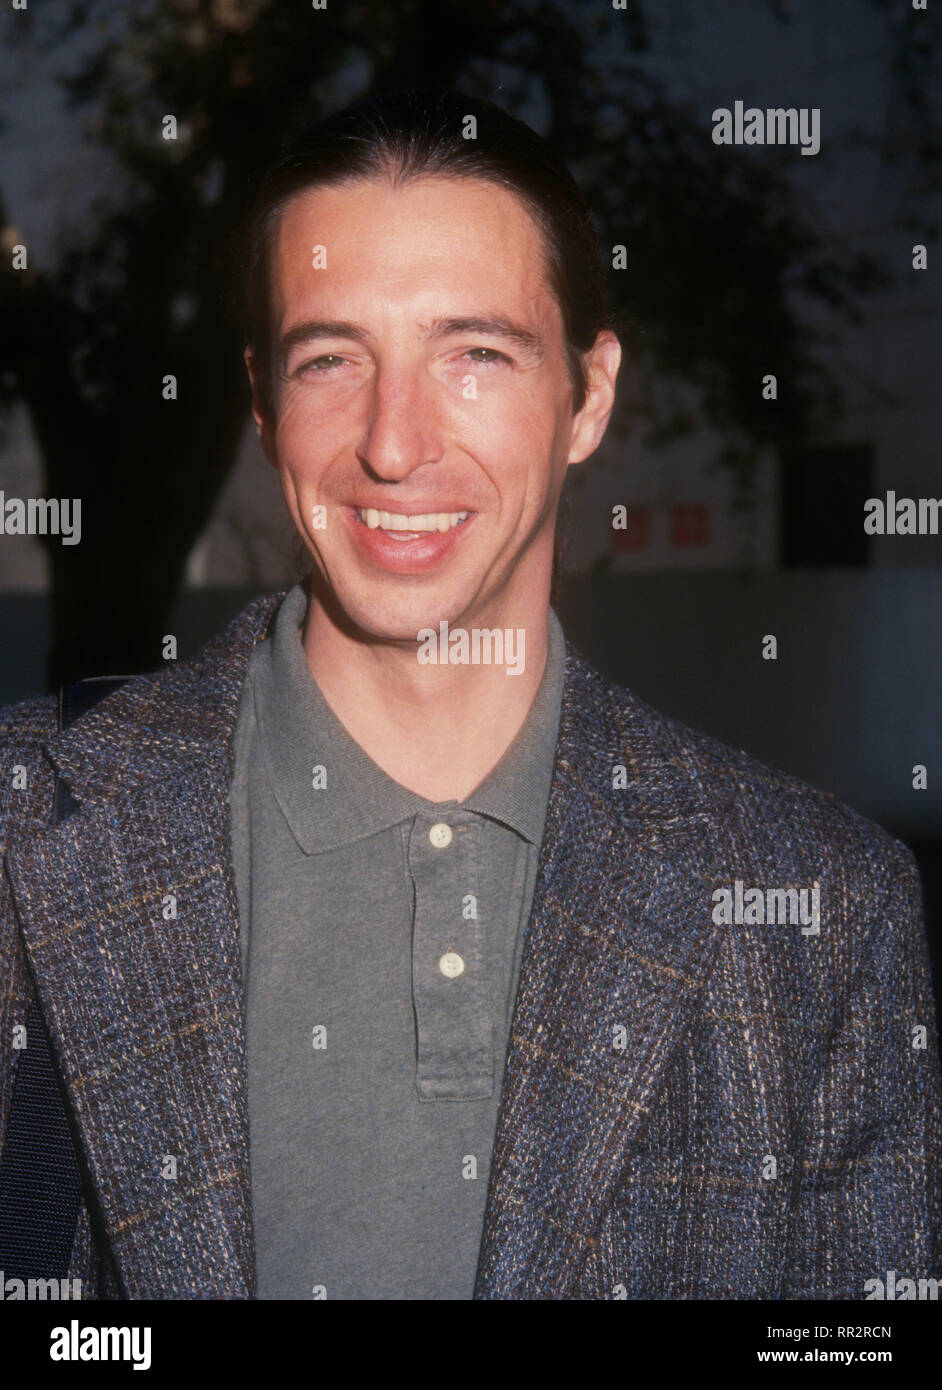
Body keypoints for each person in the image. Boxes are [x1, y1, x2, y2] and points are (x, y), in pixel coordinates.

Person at [0, 89, 939, 1301]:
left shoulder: (828, 909)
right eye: (332, 356)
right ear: (262, 397)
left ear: (589, 397)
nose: (395, 443)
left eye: (475, 355)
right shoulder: (24, 829)